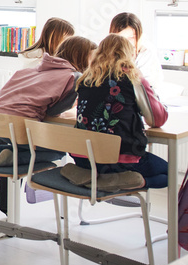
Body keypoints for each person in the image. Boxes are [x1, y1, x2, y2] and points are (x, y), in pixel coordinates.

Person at [0, 36, 97, 214]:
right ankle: (4, 201)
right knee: (57, 151)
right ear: (81, 57)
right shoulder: (74, 77)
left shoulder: (34, 69)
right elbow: (54, 111)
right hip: (22, 129)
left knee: (12, 150)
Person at [69, 34, 168, 189]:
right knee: (170, 173)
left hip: (83, 158)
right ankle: (135, 182)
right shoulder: (133, 78)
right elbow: (157, 119)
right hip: (119, 159)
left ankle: (95, 177)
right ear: (128, 55)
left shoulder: (85, 80)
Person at [109, 12, 164, 90]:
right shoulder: (107, 49)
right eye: (121, 38)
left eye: (131, 37)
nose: (126, 42)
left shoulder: (146, 51)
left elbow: (144, 84)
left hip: (144, 93)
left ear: (139, 35)